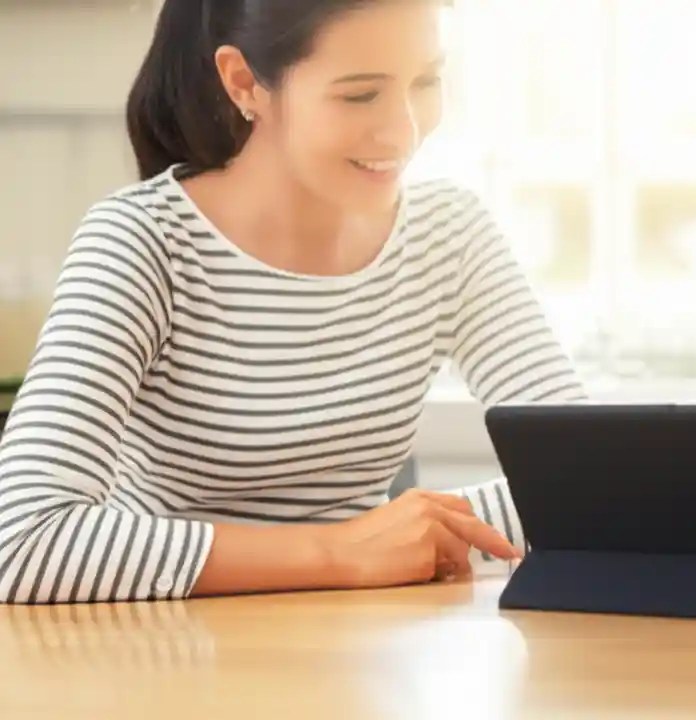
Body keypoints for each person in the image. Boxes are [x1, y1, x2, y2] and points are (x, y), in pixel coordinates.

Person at [0, 0, 584, 604]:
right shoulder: (145, 243)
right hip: (163, 660)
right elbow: (21, 539)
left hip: (354, 662)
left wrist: (417, 530)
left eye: (426, 81)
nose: (405, 131)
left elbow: (588, 477)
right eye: (360, 95)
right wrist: (339, 550)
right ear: (245, 82)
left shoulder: (449, 233)